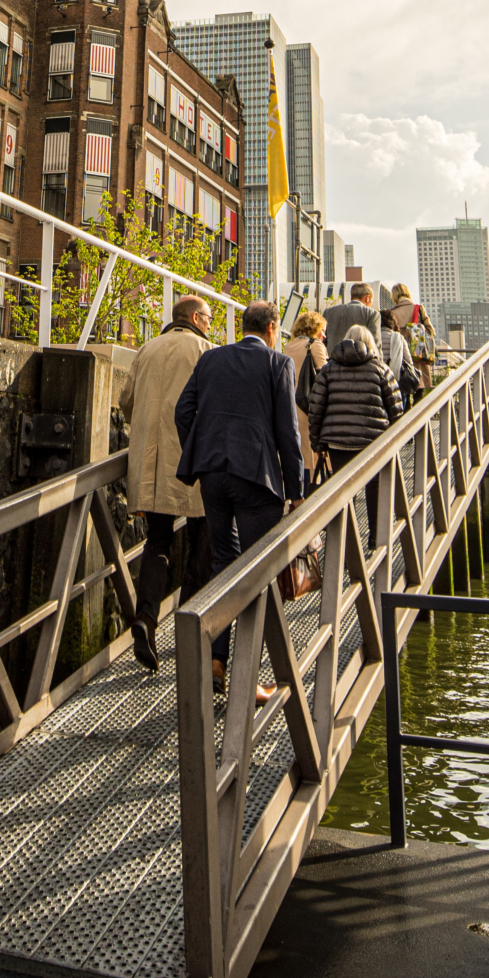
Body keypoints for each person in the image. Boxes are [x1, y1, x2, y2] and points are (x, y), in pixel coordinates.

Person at [175, 300, 304, 692]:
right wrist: (296, 492)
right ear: (271, 330)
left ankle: (216, 661)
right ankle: (251, 681)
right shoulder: (277, 365)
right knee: (258, 574)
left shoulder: (212, 358)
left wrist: (200, 453)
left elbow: (184, 411)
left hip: (213, 473)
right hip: (257, 478)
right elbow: (288, 433)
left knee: (223, 565)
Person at [121, 293, 211, 673]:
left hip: (150, 463)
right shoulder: (206, 351)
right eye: (208, 317)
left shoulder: (146, 348)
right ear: (193, 317)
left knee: (157, 544)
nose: (211, 323)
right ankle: (187, 631)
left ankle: (145, 620)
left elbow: (125, 401)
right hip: (192, 462)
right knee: (200, 546)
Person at [309, 322, 399, 546]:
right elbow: (396, 408)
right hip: (374, 443)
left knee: (344, 493)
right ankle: (377, 540)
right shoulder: (381, 369)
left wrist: (316, 441)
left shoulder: (329, 369)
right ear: (369, 344)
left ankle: (348, 550)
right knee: (376, 488)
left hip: (338, 442)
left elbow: (316, 406)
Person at [284, 309, 327, 481]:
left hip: (291, 402)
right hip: (310, 403)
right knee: (312, 452)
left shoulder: (288, 346)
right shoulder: (315, 345)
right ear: (312, 328)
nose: (323, 335)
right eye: (321, 330)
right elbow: (325, 375)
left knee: (298, 448)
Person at [325, 281, 381, 358]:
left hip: (333, 364)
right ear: (367, 298)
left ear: (352, 297)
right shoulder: (372, 314)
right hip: (361, 366)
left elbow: (323, 341)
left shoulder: (329, 312)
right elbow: (375, 345)